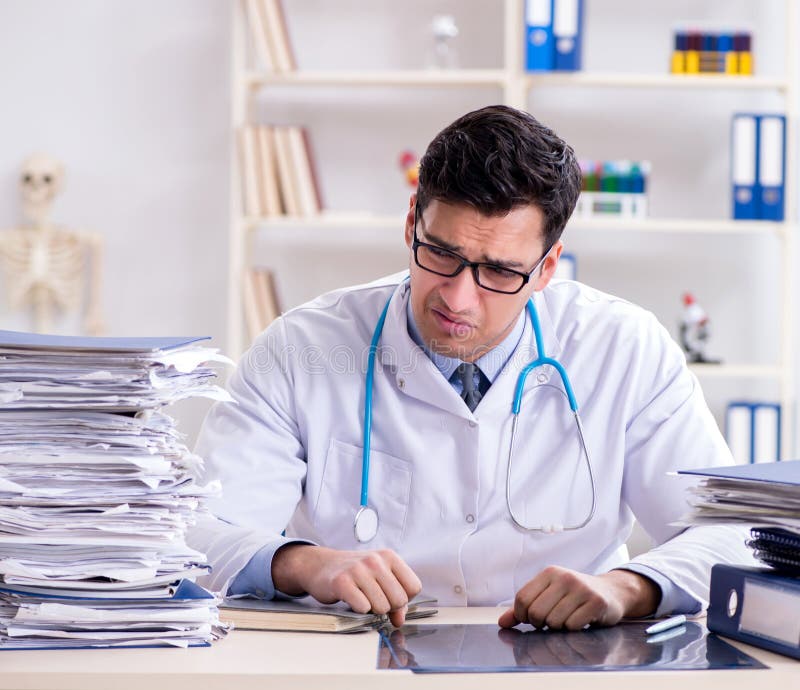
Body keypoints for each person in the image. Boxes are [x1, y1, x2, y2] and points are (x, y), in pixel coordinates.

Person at [189, 105, 753, 631]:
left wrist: (629, 588)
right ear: (412, 222)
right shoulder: (301, 348)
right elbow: (194, 533)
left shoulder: (624, 349)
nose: (458, 299)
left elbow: (728, 535)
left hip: (567, 661)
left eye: (501, 272)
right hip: (357, 653)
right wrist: (302, 564)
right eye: (441, 254)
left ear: (547, 266)